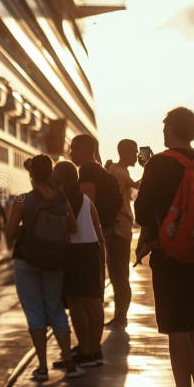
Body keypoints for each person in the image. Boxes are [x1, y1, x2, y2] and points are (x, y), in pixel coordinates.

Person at [135, 107, 194, 387]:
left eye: (166, 125)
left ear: (172, 129)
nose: (164, 130)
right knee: (191, 323)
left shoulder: (159, 164)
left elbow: (142, 211)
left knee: (176, 328)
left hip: (168, 253)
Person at [5, 154, 84, 380]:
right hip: (54, 261)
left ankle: (42, 367)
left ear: (31, 175)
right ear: (51, 173)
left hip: (26, 260)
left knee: (34, 310)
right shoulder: (62, 200)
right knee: (55, 308)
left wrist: (24, 230)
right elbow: (73, 228)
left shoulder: (22, 200)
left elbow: (9, 233)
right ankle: (69, 362)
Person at [70, 133, 121, 361]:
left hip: (88, 240)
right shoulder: (102, 171)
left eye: (73, 149)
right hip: (102, 234)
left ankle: (88, 348)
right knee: (94, 296)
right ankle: (91, 346)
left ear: (84, 150)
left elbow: (86, 205)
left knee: (86, 298)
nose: (71, 153)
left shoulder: (88, 172)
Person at [54, 161, 106, 367]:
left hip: (73, 252)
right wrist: (102, 258)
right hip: (91, 249)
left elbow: (66, 229)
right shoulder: (86, 199)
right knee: (94, 302)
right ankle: (95, 349)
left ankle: (85, 350)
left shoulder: (61, 200)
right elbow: (98, 229)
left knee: (76, 304)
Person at [105, 139, 140, 328]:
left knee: (117, 273)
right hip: (120, 227)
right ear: (125, 152)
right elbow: (137, 189)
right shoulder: (119, 173)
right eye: (134, 152)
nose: (136, 155)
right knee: (120, 274)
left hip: (118, 227)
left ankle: (120, 316)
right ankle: (121, 317)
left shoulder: (118, 171)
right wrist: (150, 169)